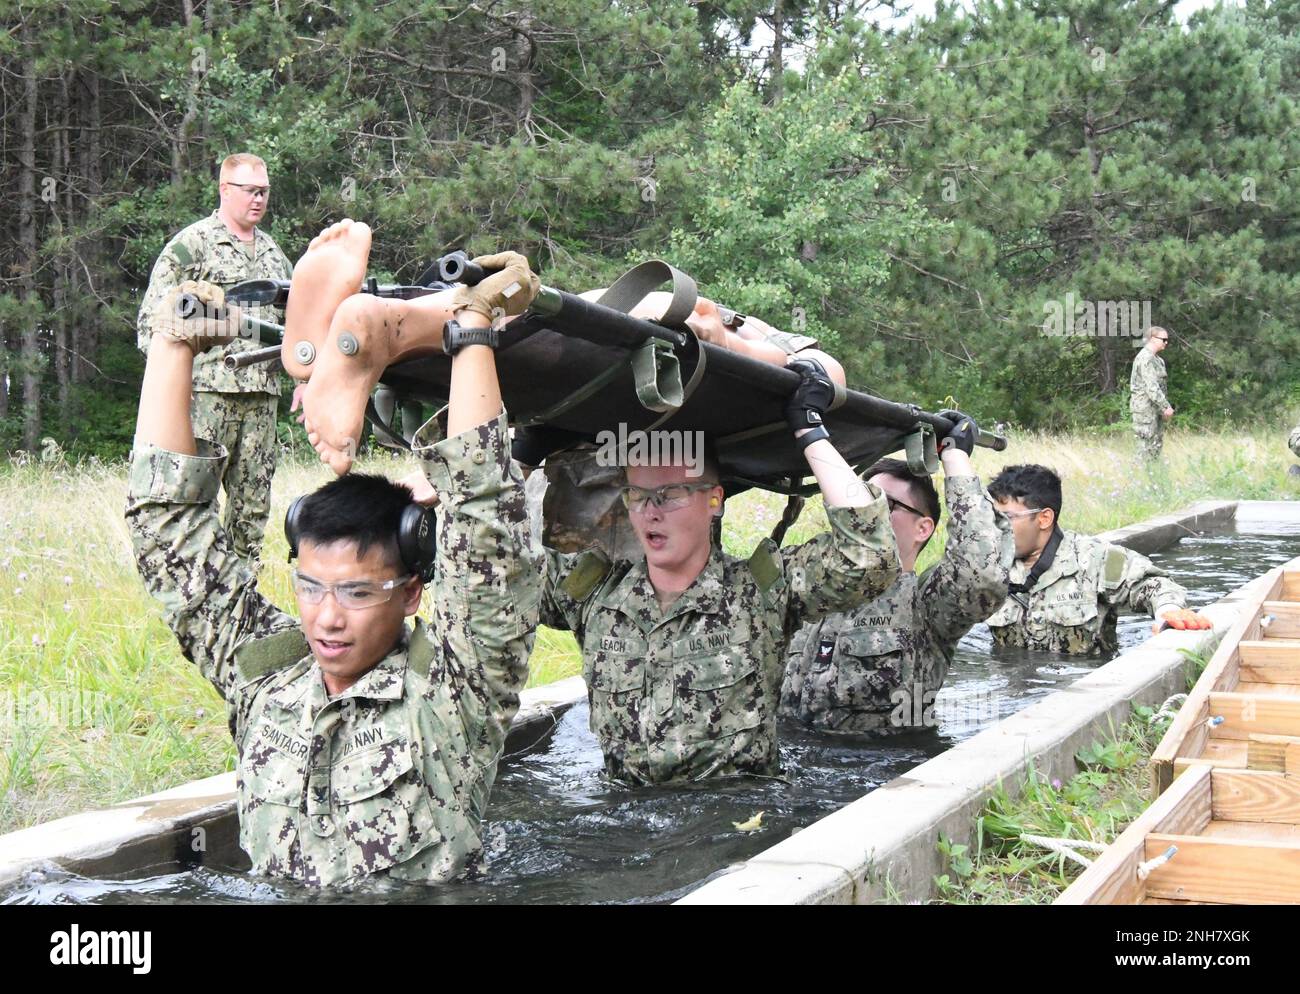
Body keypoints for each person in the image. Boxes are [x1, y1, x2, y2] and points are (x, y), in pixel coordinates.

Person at [125, 245, 542, 888]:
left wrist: (472, 332)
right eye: (311, 586)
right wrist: (172, 345)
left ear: (409, 594)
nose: (326, 617)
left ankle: (406, 327)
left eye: (354, 592)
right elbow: (167, 535)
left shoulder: (453, 693)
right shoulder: (266, 679)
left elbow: (488, 525)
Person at [531, 361, 901, 785]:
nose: (650, 512)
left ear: (715, 501)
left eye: (670, 494)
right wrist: (524, 452)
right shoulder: (595, 593)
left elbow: (870, 557)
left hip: (735, 820)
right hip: (621, 824)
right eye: (638, 496)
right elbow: (492, 581)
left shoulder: (758, 591)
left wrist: (810, 430)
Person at [780, 412, 1012, 733]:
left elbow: (980, 576)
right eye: (864, 500)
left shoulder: (925, 605)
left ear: (922, 528)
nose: (867, 515)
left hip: (888, 773)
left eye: (884, 504)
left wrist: (955, 457)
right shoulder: (817, 590)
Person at [135, 153, 293, 565]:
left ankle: (244, 601)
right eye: (250, 191)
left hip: (262, 397)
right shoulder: (193, 245)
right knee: (194, 497)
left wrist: (308, 380)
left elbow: (297, 327)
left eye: (265, 192)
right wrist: (170, 383)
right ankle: (198, 588)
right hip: (208, 395)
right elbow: (154, 321)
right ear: (225, 190)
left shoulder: (275, 257)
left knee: (252, 508)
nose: (259, 199)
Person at [983, 464, 1210, 654]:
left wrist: (1168, 611)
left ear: (1044, 519)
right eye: (994, 517)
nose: (997, 526)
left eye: (1007, 517)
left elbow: (1152, 584)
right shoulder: (987, 565)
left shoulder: (1092, 559)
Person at [1130, 326, 1174, 460]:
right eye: (1163, 339)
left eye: (1167, 340)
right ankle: (1139, 477)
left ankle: (1153, 476)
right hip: (1145, 412)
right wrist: (1166, 406)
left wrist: (1162, 409)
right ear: (1153, 339)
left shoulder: (1158, 360)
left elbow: (1161, 387)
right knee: (1144, 450)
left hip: (1155, 411)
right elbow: (1152, 387)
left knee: (1156, 449)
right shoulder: (1145, 358)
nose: (1166, 342)